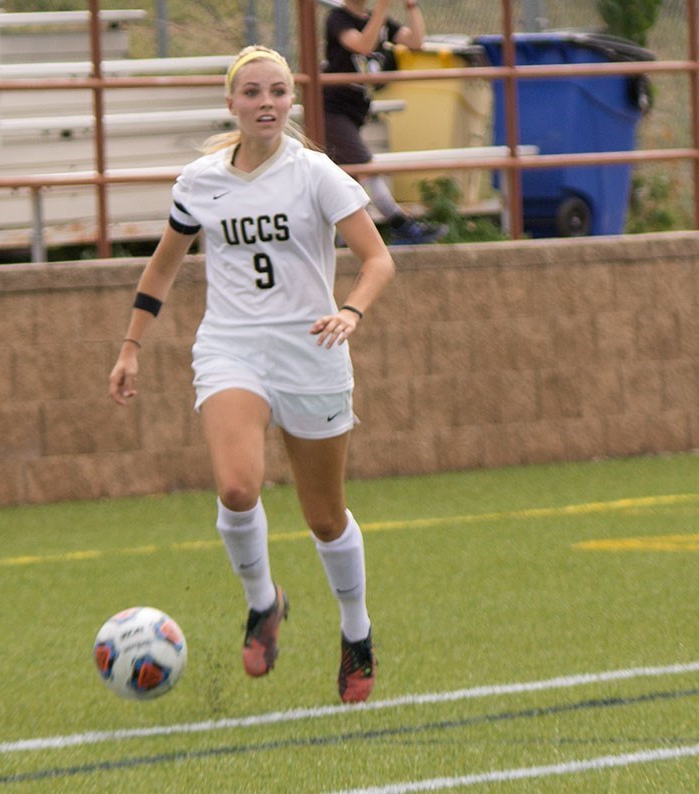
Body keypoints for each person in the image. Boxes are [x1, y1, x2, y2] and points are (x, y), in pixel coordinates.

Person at [108, 45, 395, 703]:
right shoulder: (201, 182)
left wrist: (351, 310)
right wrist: (131, 346)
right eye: (253, 93)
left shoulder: (316, 175)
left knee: (324, 518)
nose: (266, 103)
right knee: (238, 489)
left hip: (312, 351)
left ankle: (356, 632)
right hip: (230, 347)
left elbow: (378, 260)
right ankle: (264, 602)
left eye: (278, 92)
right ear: (231, 102)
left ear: (291, 102)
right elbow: (162, 267)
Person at [323, 0, 447, 245]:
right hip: (331, 108)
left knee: (347, 175)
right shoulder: (338, 18)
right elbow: (362, 46)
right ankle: (399, 223)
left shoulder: (379, 20)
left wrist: (411, 7)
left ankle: (343, 239)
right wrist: (382, 9)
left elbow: (416, 42)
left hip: (355, 110)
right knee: (365, 166)